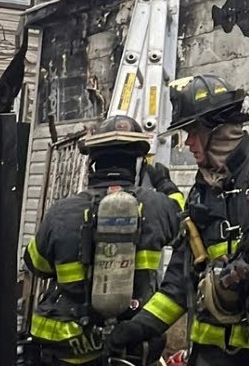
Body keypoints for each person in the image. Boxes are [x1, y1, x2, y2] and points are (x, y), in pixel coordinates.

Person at [108, 73, 249, 365]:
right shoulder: (201, 193)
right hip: (212, 355)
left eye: (193, 131)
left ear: (219, 129)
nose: (188, 143)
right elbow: (179, 279)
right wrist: (141, 326)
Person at [22, 114, 182, 365]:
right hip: (132, 344)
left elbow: (36, 264)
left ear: (92, 164)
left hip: (70, 346)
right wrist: (166, 185)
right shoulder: (158, 205)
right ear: (136, 165)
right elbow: (182, 221)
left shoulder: (61, 212)